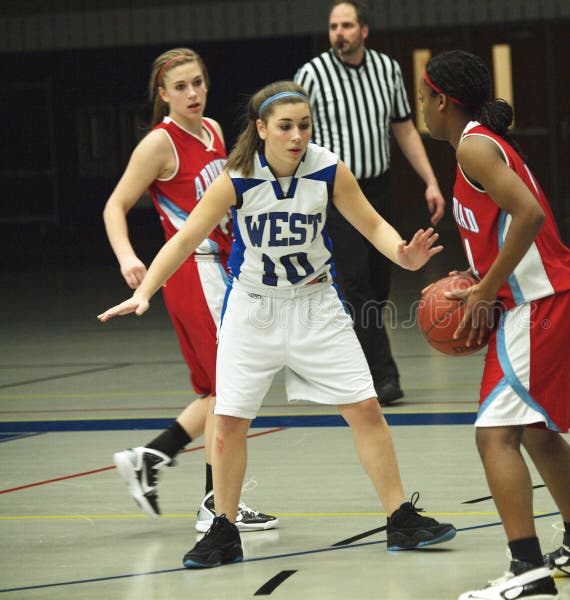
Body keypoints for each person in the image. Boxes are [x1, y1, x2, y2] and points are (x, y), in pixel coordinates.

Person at [98, 81, 457, 569]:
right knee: (227, 421)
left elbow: (371, 223)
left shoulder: (328, 168)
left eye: (304, 126)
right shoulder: (237, 177)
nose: (296, 136)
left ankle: (400, 519)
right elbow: (184, 241)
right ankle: (223, 531)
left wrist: (404, 255)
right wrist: (143, 292)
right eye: (285, 127)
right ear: (262, 129)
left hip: (316, 305)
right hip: (253, 307)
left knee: (367, 409)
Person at [418, 50, 570, 599]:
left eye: (425, 97)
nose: (422, 107)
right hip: (553, 298)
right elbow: (506, 225)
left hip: (540, 305)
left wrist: (484, 289)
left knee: (494, 436)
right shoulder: (474, 145)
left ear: (443, 102)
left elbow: (529, 215)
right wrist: (479, 273)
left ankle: (526, 571)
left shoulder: (475, 148)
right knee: (534, 433)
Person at [102, 47, 276, 533]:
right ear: (163, 94)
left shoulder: (215, 130)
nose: (193, 93)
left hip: (221, 269)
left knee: (217, 392)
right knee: (230, 390)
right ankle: (213, 505)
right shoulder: (160, 143)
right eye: (180, 87)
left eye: (197, 82)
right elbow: (114, 205)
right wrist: (128, 257)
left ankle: (151, 458)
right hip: (193, 273)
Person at [294, 1, 446, 406]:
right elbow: (293, 136)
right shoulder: (311, 75)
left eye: (346, 25)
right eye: (332, 26)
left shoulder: (387, 69)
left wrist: (430, 180)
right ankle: (383, 376)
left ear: (364, 30)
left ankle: (350, 366)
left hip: (378, 189)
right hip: (334, 193)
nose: (338, 33)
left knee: (379, 286)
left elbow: (404, 129)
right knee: (357, 284)